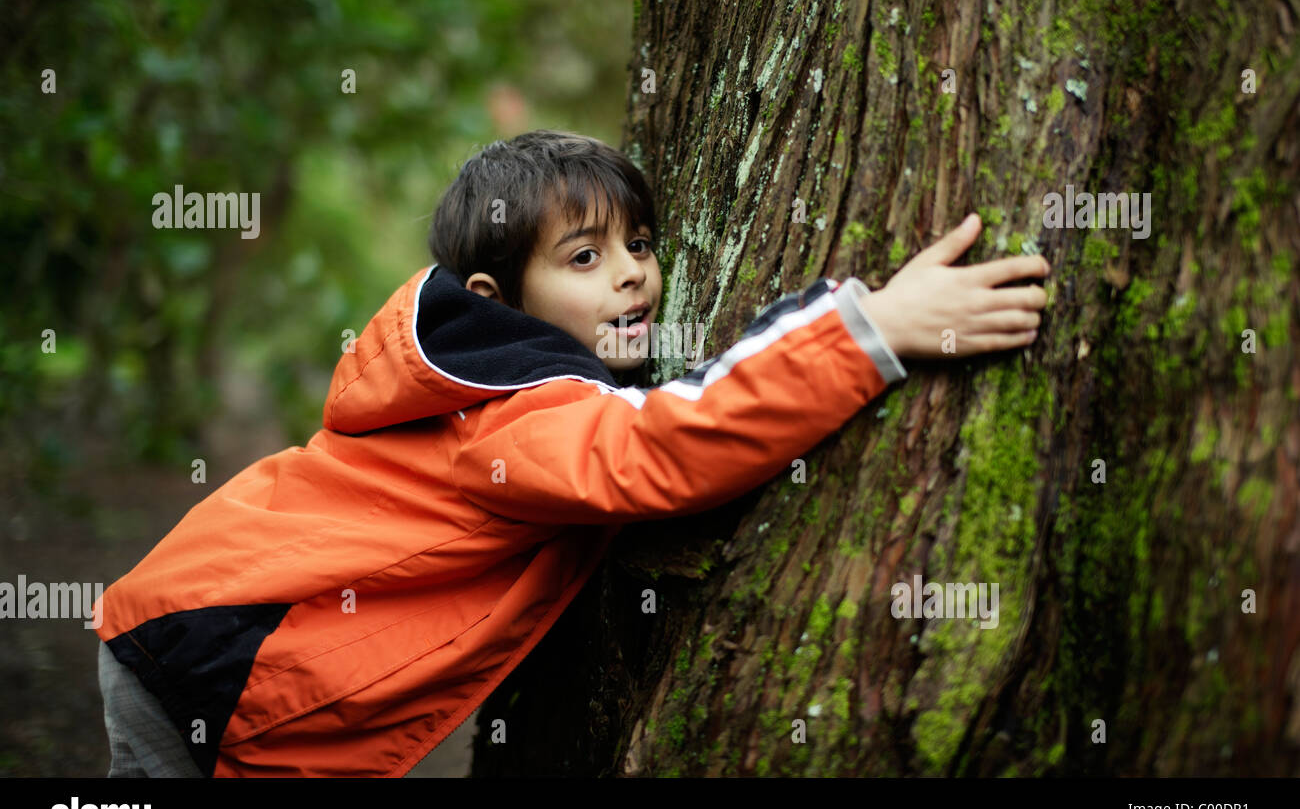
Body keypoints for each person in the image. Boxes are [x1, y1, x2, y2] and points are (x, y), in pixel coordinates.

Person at [95, 129, 1049, 776]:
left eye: (639, 242)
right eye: (584, 258)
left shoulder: (490, 381)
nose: (633, 272)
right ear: (499, 296)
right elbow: (669, 445)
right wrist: (870, 329)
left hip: (189, 622)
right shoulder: (517, 412)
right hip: (220, 653)